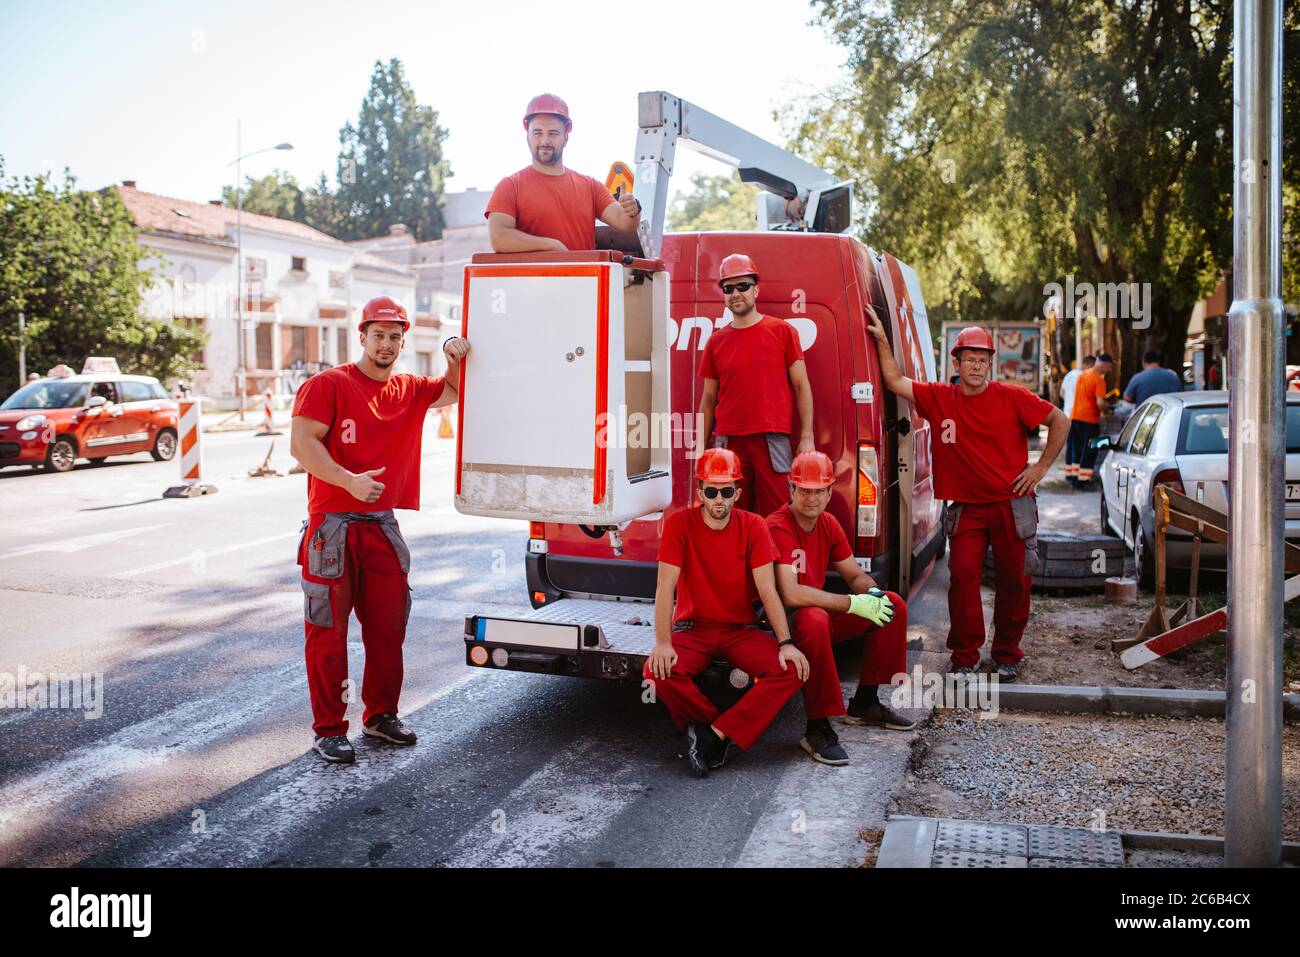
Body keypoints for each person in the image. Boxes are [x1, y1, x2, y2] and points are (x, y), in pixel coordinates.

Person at [290, 295, 468, 764]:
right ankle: (329, 729)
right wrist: (348, 480)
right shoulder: (328, 384)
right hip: (330, 529)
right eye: (378, 335)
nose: (385, 344)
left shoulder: (409, 389)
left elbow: (452, 391)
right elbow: (302, 444)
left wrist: (453, 350)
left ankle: (380, 716)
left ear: (402, 341)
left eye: (394, 337)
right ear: (362, 335)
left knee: (389, 627)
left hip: (382, 526)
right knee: (327, 633)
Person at [867, 318, 1069, 680]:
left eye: (982, 360)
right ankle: (965, 657)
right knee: (961, 578)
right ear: (956, 365)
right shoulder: (940, 397)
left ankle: (1007, 653)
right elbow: (894, 380)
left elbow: (1060, 420)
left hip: (1013, 503)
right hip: (966, 509)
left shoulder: (1012, 398)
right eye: (969, 360)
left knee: (1015, 581)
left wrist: (1039, 469)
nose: (976, 367)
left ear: (989, 364)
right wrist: (883, 339)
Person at [645, 447, 807, 778]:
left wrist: (786, 641)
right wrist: (663, 642)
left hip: (739, 630)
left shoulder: (754, 526)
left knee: (791, 669)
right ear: (700, 490)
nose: (719, 499)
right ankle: (716, 729)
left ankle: (712, 735)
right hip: (692, 629)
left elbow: (767, 590)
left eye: (727, 491)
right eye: (711, 491)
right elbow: (665, 589)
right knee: (655, 671)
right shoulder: (679, 525)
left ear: (738, 492)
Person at [768, 451, 915, 766]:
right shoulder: (777, 526)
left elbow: (854, 575)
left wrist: (873, 595)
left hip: (817, 613)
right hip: (783, 624)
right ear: (791, 490)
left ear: (829, 492)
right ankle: (817, 726)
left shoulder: (828, 523)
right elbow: (790, 594)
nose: (811, 497)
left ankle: (865, 703)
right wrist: (852, 603)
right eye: (804, 490)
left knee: (893, 605)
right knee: (815, 618)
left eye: (818, 490)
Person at [697, 254, 815, 517]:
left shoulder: (783, 332)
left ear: (756, 289)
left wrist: (807, 435)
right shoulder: (716, 342)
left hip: (772, 441)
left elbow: (801, 386)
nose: (736, 293)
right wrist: (702, 450)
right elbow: (708, 400)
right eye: (728, 288)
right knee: (732, 518)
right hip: (728, 441)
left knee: (777, 517)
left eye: (743, 286)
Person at [485, 94, 641, 253]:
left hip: (585, 278)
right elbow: (499, 238)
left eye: (553, 133)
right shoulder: (510, 186)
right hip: (533, 279)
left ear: (565, 138)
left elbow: (624, 223)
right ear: (528, 137)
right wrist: (551, 246)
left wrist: (632, 211)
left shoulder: (590, 186)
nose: (544, 141)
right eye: (537, 133)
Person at [1068, 352, 1114, 488]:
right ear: (1104, 365)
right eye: (1109, 367)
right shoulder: (1099, 379)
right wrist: (1107, 411)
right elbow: (1100, 403)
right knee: (1089, 451)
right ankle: (1084, 481)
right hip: (1089, 421)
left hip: (1075, 417)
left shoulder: (1083, 374)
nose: (1109, 370)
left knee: (1077, 450)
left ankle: (1074, 478)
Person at [1060, 355, 1094, 484]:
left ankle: (1069, 474)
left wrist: (1068, 402)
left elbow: (1061, 393)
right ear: (1088, 364)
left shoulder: (1069, 374)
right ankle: (1076, 477)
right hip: (1078, 415)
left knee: (1071, 445)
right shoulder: (1084, 377)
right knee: (1078, 446)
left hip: (1066, 414)